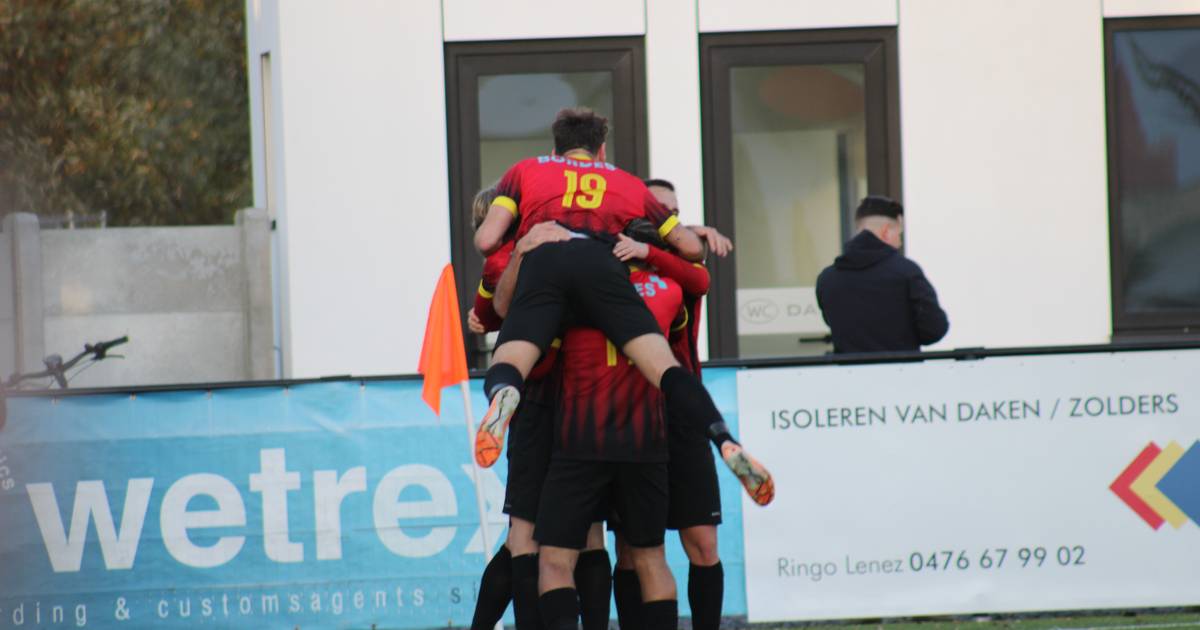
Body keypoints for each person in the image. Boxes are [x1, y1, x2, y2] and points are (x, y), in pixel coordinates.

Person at [472, 107, 773, 507]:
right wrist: (693, 232)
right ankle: (724, 439)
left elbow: (486, 240)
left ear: (555, 149)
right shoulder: (626, 182)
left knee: (509, 362)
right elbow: (690, 249)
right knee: (665, 368)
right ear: (601, 150)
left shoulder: (525, 170)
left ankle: (505, 394)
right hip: (601, 265)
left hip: (545, 263)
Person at [532, 228, 710, 630]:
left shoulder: (574, 295)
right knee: (650, 559)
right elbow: (698, 282)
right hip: (646, 442)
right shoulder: (669, 292)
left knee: (556, 561)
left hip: (581, 444)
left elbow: (540, 366)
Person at [466, 188, 610, 630]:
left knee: (523, 535)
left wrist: (483, 314)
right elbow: (489, 311)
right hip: (578, 393)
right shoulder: (561, 247)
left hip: (532, 394)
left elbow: (487, 313)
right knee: (586, 531)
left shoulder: (507, 261)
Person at [612, 180, 727, 630]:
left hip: (682, 418)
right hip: (629, 419)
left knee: (703, 544)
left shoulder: (683, 269)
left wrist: (662, 247)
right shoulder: (610, 268)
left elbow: (701, 278)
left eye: (674, 213)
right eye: (660, 211)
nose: (668, 220)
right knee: (633, 550)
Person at [815, 196, 949, 354]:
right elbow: (935, 329)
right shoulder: (906, 272)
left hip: (849, 369)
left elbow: (832, 323)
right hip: (901, 368)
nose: (899, 242)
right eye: (899, 234)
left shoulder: (828, 279)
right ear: (886, 231)